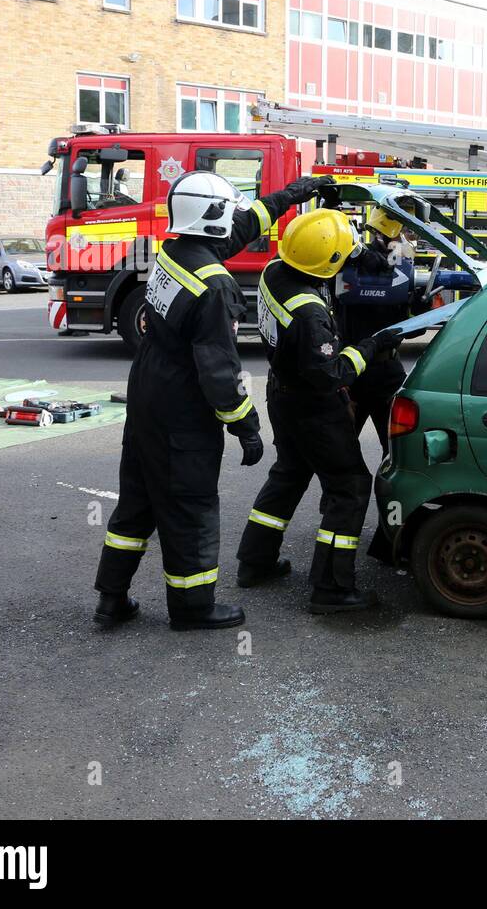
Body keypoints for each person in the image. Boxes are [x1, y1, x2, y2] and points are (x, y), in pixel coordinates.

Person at [92, 169, 333, 631]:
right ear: (214, 217)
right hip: (181, 409)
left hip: (147, 392)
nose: (237, 218)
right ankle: (193, 607)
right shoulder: (216, 286)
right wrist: (245, 425)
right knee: (190, 505)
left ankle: (111, 598)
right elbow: (220, 371)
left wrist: (289, 197)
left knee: (138, 499)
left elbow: (239, 227)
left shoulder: (175, 252)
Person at [236, 208, 404, 613]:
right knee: (349, 486)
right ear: (326, 263)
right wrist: (371, 347)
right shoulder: (310, 313)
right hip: (313, 405)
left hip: (283, 394)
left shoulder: (275, 271)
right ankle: (331, 589)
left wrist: (361, 250)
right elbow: (332, 375)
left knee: (289, 473)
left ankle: (255, 562)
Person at [333, 206, 413, 456]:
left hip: (369, 375)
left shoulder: (396, 266)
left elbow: (408, 329)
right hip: (360, 375)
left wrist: (418, 306)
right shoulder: (356, 261)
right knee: (348, 455)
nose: (407, 241)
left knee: (394, 453)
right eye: (404, 235)